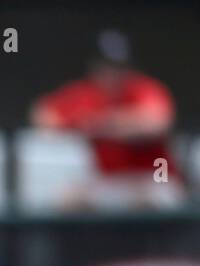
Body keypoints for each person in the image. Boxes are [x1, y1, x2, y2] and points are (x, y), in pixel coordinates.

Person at [30, 29, 183, 210]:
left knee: (145, 201)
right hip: (109, 180)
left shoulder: (143, 88)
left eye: (118, 67)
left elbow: (159, 122)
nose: (112, 73)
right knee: (69, 198)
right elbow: (43, 113)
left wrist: (108, 125)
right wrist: (70, 127)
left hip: (153, 177)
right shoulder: (86, 94)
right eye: (106, 66)